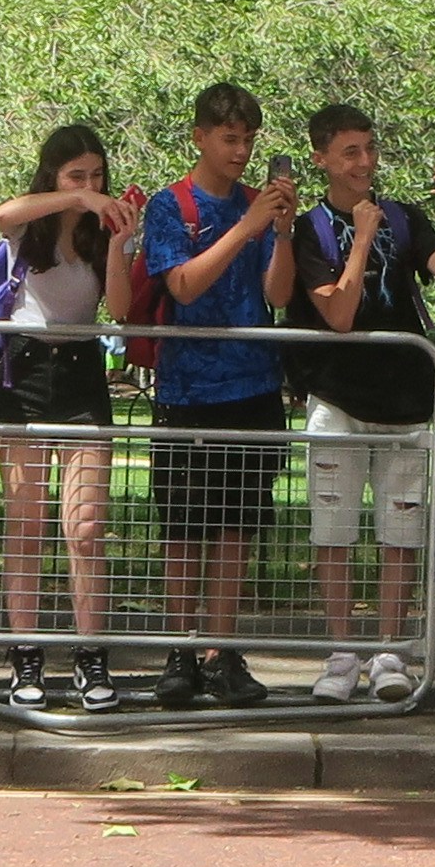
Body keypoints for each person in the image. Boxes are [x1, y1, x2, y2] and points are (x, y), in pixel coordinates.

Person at [284, 106, 435, 704]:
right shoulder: (311, 229)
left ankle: (389, 650)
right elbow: (338, 313)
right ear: (322, 158)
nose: (364, 162)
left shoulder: (406, 218)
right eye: (351, 151)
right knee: (333, 532)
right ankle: (341, 653)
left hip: (405, 398)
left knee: (400, 533)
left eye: (370, 149)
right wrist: (359, 239)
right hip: (338, 395)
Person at [131, 83, 296, 706]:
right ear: (200, 136)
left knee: (236, 525)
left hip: (253, 386)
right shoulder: (172, 206)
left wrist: (277, 232)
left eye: (249, 140)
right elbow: (183, 285)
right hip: (188, 388)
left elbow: (278, 296)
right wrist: (245, 227)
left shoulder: (259, 202)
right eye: (230, 139)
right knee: (185, 526)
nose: (242, 151)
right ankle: (180, 648)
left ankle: (221, 649)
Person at [0, 123, 137, 710]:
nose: (91, 187)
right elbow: (1, 213)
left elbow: (118, 309)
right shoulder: (31, 225)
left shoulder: (102, 233)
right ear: (54, 177)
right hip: (25, 372)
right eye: (76, 175)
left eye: (97, 176)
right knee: (27, 521)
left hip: (82, 374)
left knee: (85, 526)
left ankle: (91, 656)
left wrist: (117, 242)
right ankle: (25, 656)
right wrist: (76, 198)